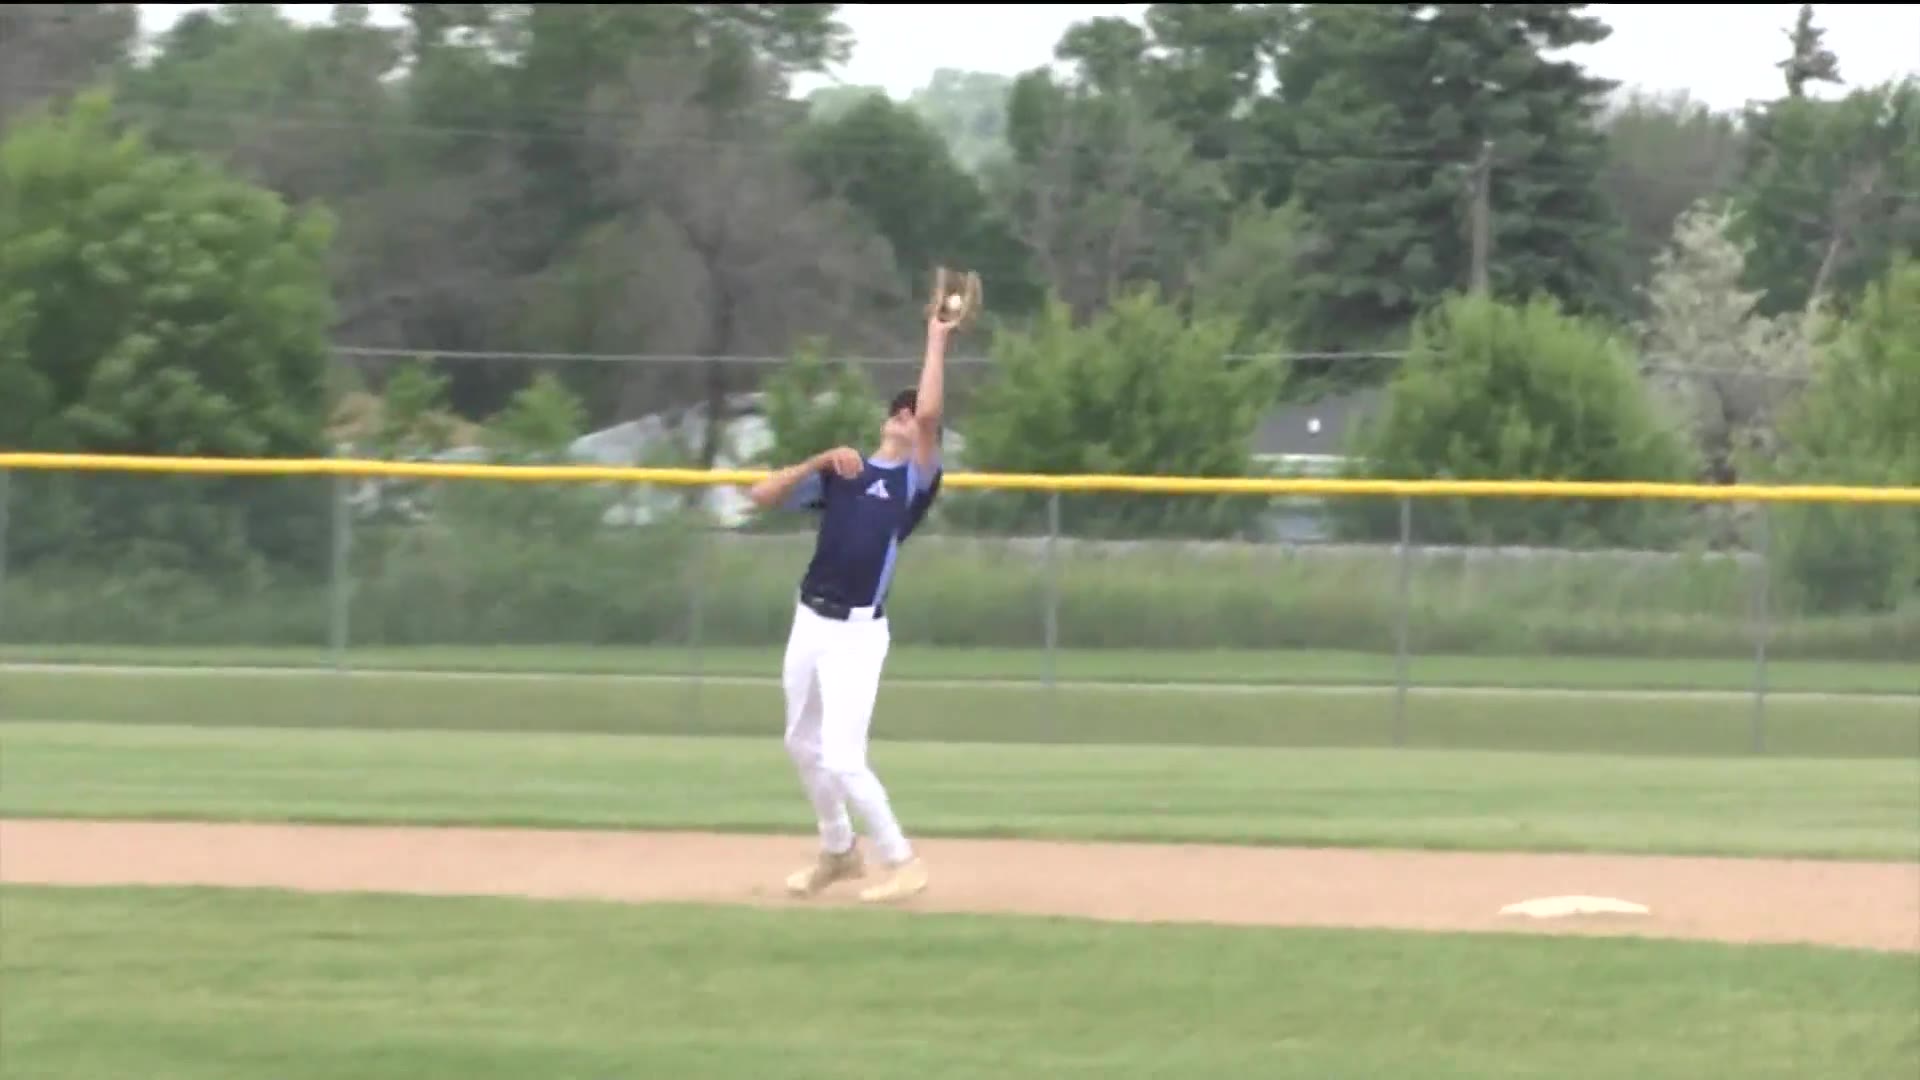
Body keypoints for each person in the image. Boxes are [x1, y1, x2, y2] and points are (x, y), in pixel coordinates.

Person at [745, 307, 953, 904]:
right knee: (799, 744)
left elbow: (933, 414)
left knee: (842, 757)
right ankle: (838, 850)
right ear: (888, 419)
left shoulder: (912, 482)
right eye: (901, 409)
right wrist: (817, 459)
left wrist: (936, 339)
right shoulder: (844, 475)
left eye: (916, 415)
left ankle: (902, 860)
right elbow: (759, 495)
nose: (909, 416)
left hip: (857, 634)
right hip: (809, 618)